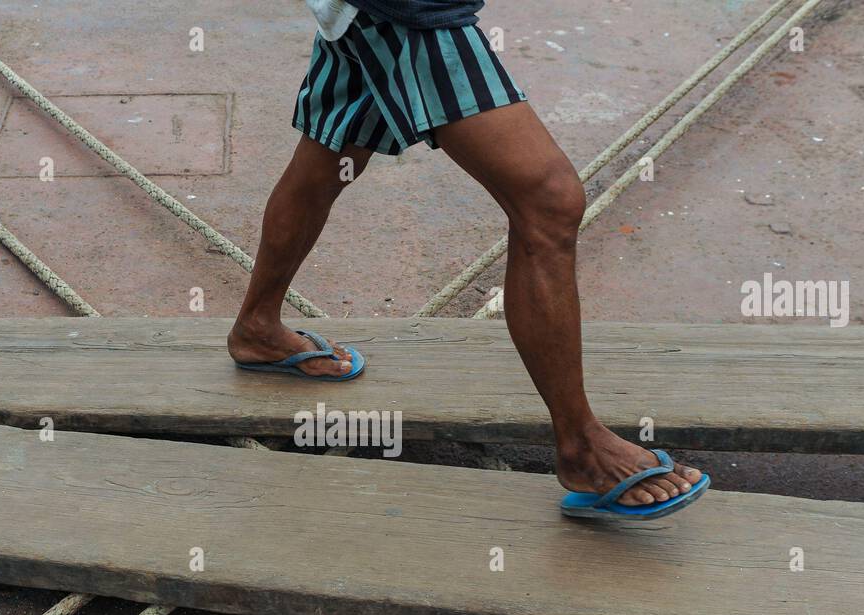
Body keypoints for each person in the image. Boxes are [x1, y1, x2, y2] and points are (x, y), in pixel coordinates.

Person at [228, 0, 708, 518]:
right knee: (548, 201)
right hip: (412, 10)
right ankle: (582, 447)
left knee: (335, 151)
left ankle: (257, 327)